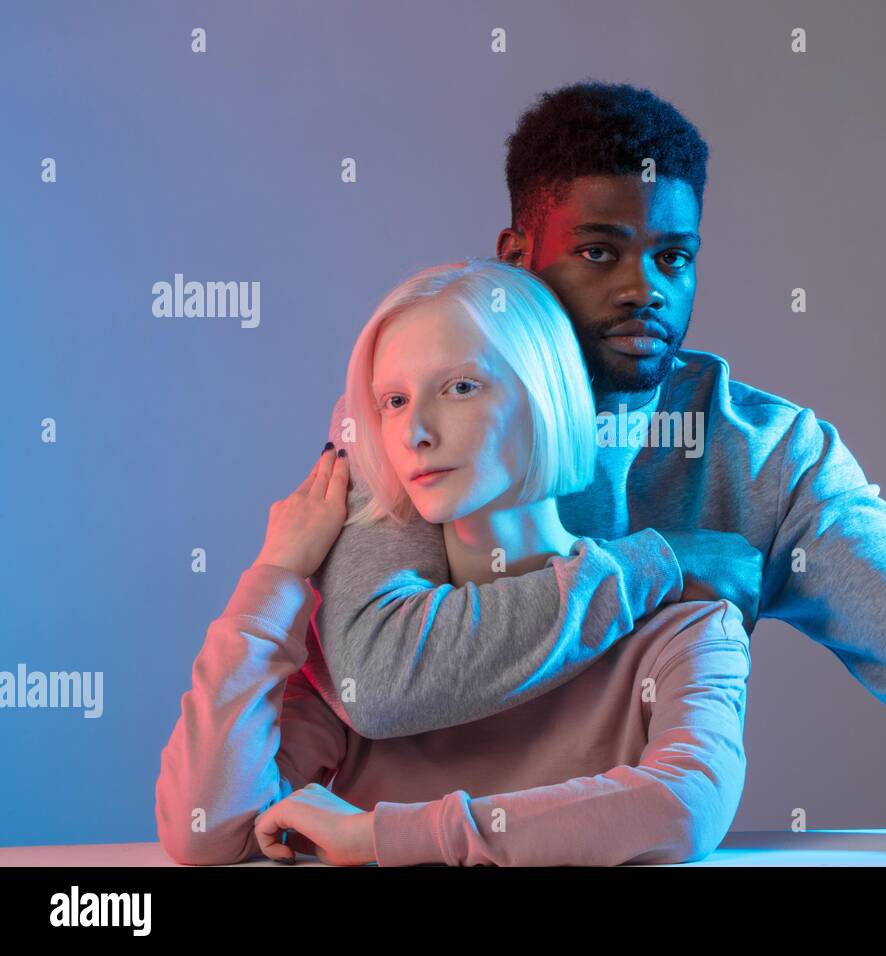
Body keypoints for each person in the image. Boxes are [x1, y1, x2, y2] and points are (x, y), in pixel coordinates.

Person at [304, 80, 886, 866]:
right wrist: (657, 561)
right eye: (600, 252)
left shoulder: (765, 455)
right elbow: (378, 677)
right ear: (518, 257)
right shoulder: (422, 417)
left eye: (675, 256)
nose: (647, 288)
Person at [155, 258, 751, 866]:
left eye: (460, 387)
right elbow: (207, 832)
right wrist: (274, 576)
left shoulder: (684, 627)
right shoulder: (356, 655)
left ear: (546, 394)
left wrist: (383, 837)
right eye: (392, 400)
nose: (415, 430)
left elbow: (681, 806)